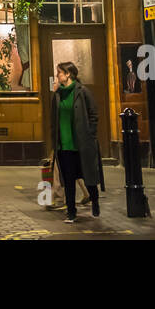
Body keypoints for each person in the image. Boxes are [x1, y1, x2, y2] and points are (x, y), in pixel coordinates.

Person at [50, 61, 101, 223]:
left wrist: (90, 134)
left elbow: (94, 114)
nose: (57, 75)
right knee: (69, 180)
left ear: (68, 74)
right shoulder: (57, 94)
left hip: (81, 144)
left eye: (59, 72)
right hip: (64, 145)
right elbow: (53, 118)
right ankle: (71, 212)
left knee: (88, 178)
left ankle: (95, 201)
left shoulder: (82, 91)